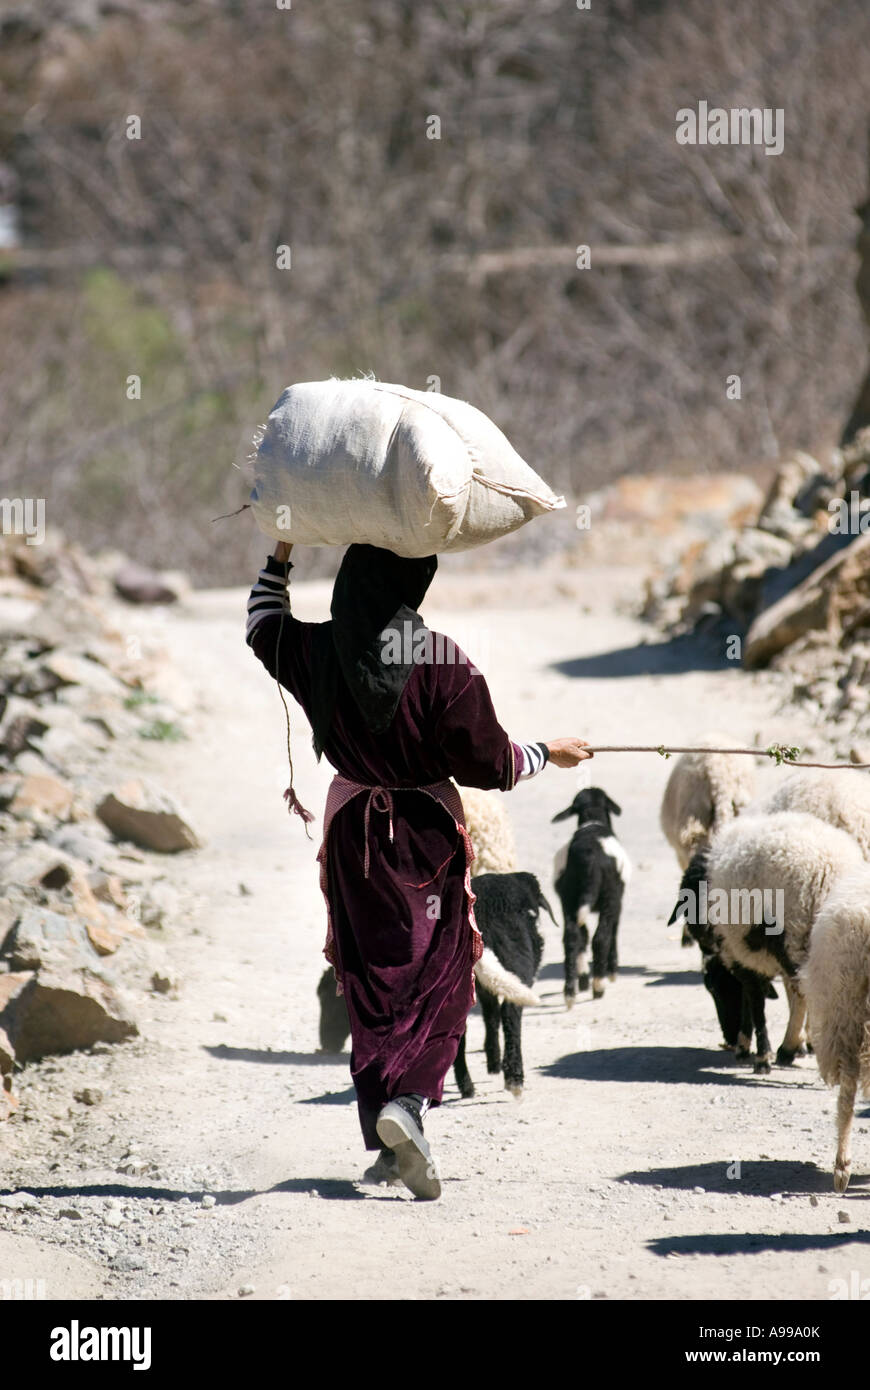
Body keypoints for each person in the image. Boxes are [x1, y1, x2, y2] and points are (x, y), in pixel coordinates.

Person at [246, 537, 592, 1200]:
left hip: (354, 838)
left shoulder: (319, 650)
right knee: (439, 974)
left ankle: (383, 1142)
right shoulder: (441, 663)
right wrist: (549, 752)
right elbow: (490, 764)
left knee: (370, 976)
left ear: (350, 585)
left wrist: (281, 550)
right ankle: (408, 1104)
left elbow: (263, 624)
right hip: (425, 841)